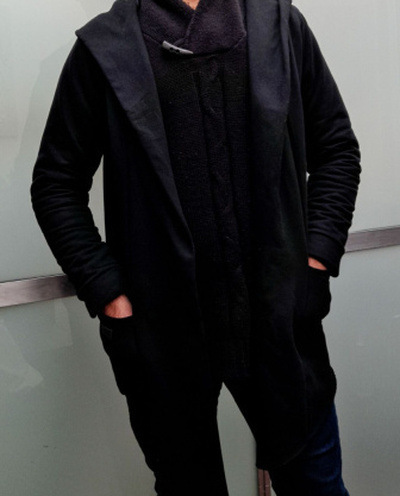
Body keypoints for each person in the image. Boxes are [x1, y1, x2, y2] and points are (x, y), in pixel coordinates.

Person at [31, 0, 361, 494]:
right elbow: (56, 184)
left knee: (316, 482)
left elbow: (336, 148)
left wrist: (315, 260)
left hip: (280, 322)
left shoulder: (279, 25)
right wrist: (108, 292)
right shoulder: (104, 47)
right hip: (163, 333)